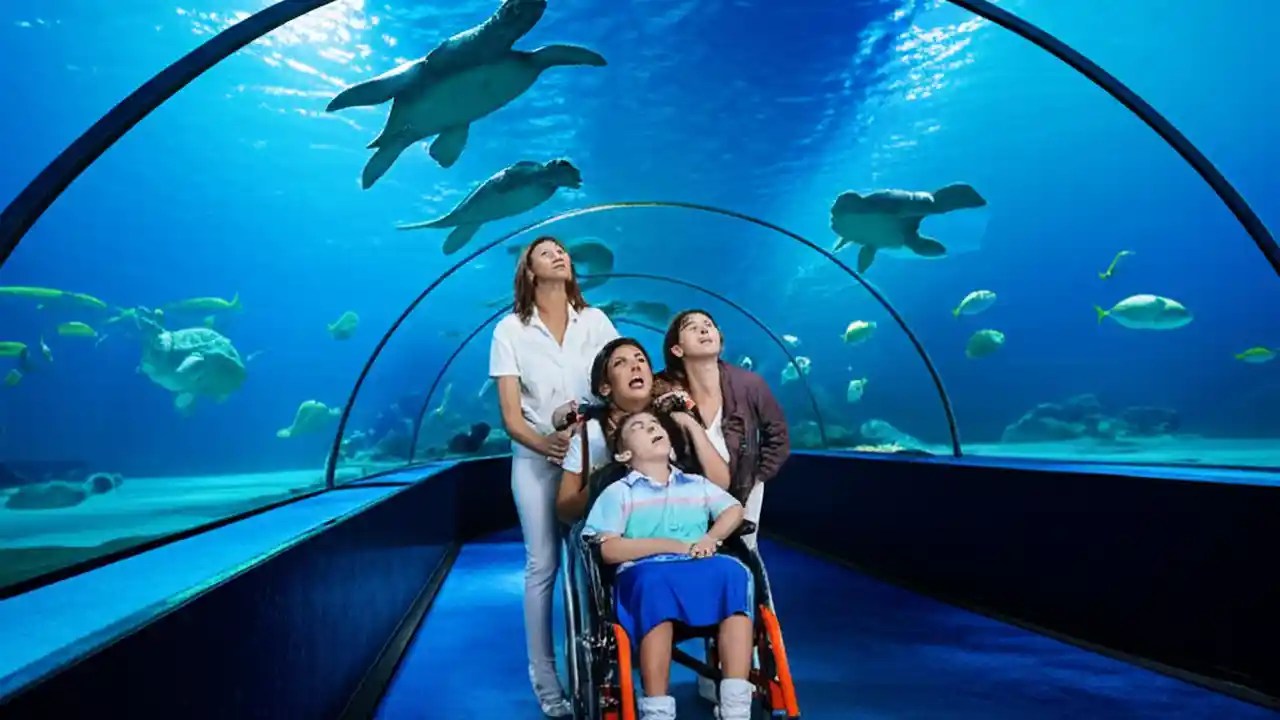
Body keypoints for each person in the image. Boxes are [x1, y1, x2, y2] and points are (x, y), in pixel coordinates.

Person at [489, 235, 619, 717]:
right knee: (543, 565)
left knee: (597, 557)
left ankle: (605, 668)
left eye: (562, 251)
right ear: (528, 271)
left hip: (593, 456)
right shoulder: (510, 330)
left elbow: (616, 379)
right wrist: (545, 443)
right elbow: (510, 416)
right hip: (534, 458)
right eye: (547, 252)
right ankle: (546, 684)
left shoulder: (597, 321)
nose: (559, 255)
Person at [582, 410, 756, 720]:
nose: (650, 427)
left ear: (671, 446)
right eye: (639, 427)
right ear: (624, 453)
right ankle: (658, 708)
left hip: (698, 563)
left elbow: (733, 510)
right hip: (644, 573)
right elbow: (608, 550)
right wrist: (670, 545)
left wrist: (711, 539)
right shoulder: (619, 492)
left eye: (655, 424)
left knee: (733, 572)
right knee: (654, 584)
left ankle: (735, 706)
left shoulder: (696, 483)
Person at [556, 337, 730, 524]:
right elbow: (565, 511)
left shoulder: (675, 421)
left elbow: (721, 484)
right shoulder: (592, 432)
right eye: (620, 363)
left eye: (640, 359)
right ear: (605, 387)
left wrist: (692, 426)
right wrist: (603, 481)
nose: (635, 366)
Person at [654, 309, 790, 549]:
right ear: (677, 349)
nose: (704, 329)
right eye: (692, 327)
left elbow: (777, 433)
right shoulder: (663, 389)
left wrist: (756, 477)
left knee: (745, 554)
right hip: (688, 496)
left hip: (746, 488)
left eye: (708, 324)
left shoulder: (750, 384)